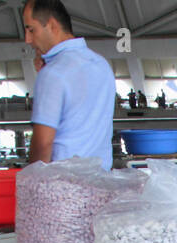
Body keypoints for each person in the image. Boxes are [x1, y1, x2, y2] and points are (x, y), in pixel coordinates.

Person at [24, 0, 116, 167]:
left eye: (31, 30)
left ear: (52, 25)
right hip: (101, 177)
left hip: (63, 180)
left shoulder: (53, 73)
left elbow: (43, 145)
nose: (28, 39)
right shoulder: (101, 64)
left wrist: (30, 178)